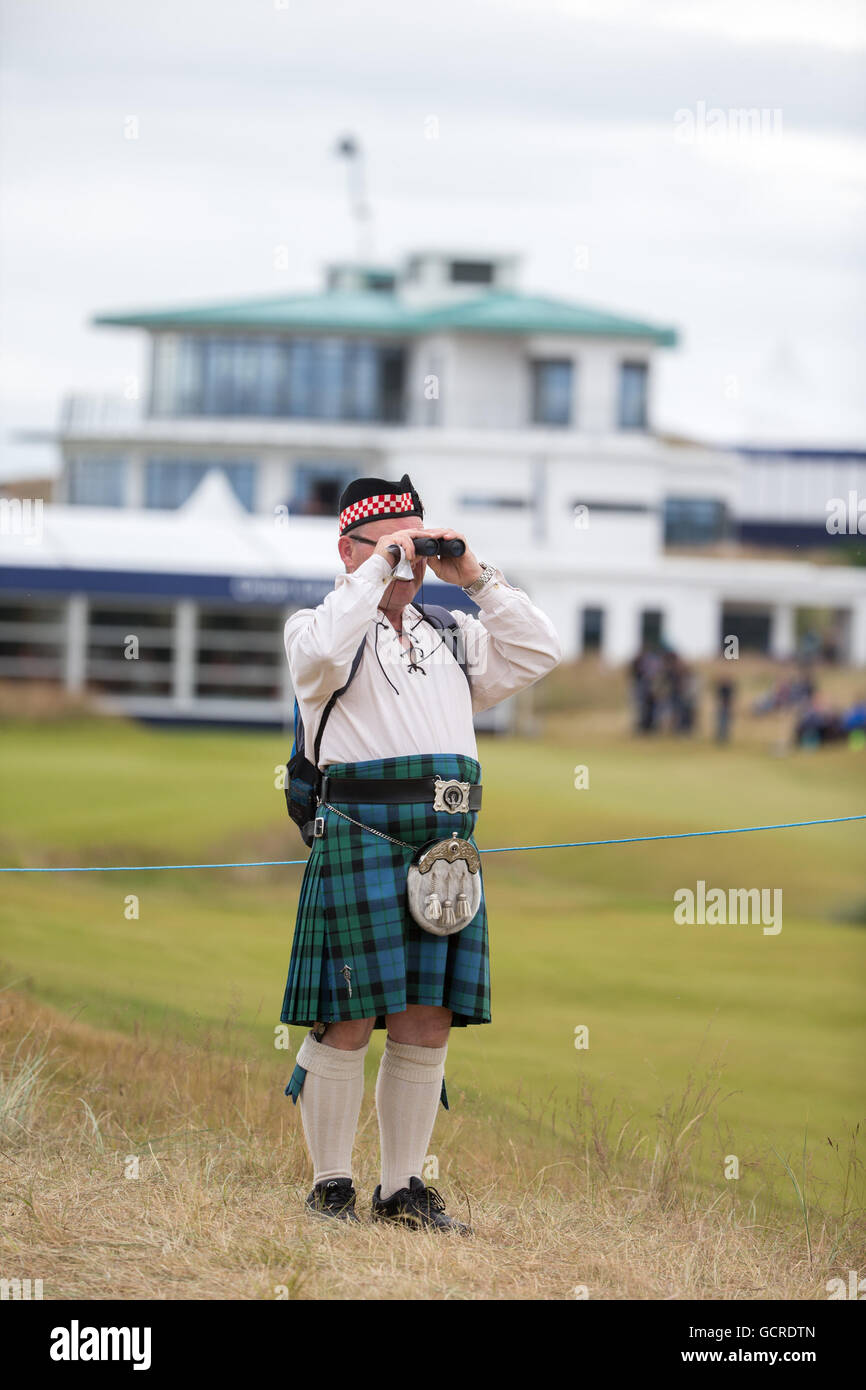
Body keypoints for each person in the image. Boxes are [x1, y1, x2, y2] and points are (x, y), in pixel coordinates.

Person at [279, 473, 561, 1232]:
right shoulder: (316, 629)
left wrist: (473, 575)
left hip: (445, 848)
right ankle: (330, 1188)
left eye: (418, 546)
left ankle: (402, 1191)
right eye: (390, 549)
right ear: (349, 550)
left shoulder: (450, 633)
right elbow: (320, 655)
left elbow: (539, 650)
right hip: (362, 838)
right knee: (347, 1015)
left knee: (427, 1016)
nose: (410, 565)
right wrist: (378, 569)